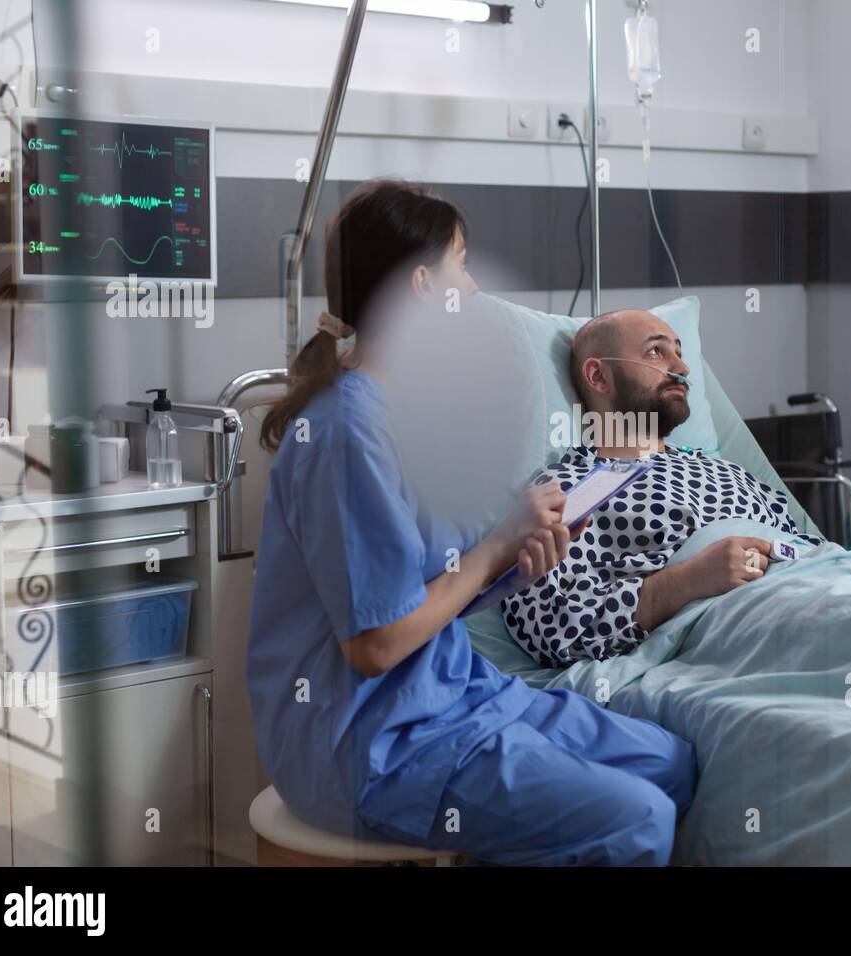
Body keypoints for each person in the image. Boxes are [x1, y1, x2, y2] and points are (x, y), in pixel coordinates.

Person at [247, 180, 695, 866]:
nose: (476, 288)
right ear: (426, 286)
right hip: (370, 742)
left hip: (454, 696)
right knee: (636, 819)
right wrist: (494, 548)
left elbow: (438, 580)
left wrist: (518, 555)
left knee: (671, 764)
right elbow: (375, 645)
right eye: (462, 265)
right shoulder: (346, 433)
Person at [502, 309, 824, 666]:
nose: (682, 369)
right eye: (656, 352)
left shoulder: (727, 470)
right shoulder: (580, 487)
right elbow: (552, 628)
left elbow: (810, 552)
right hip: (749, 634)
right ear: (598, 376)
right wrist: (684, 583)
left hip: (820, 589)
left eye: (680, 354)